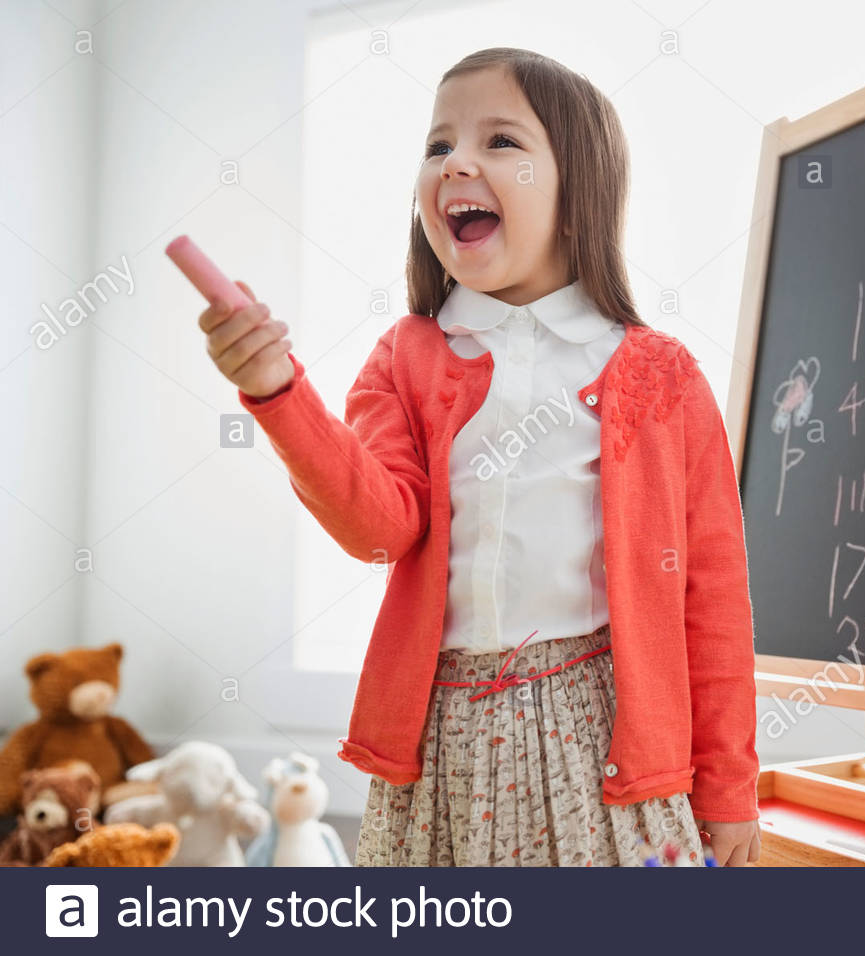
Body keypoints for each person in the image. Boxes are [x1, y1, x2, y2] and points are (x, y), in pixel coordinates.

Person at [196, 47, 761, 867]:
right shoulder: (406, 357)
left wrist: (728, 790)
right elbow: (379, 527)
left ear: (577, 196)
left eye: (501, 140)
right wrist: (279, 392)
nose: (456, 160)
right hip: (436, 741)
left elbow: (715, 600)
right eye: (437, 146)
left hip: (603, 742)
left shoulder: (660, 375)